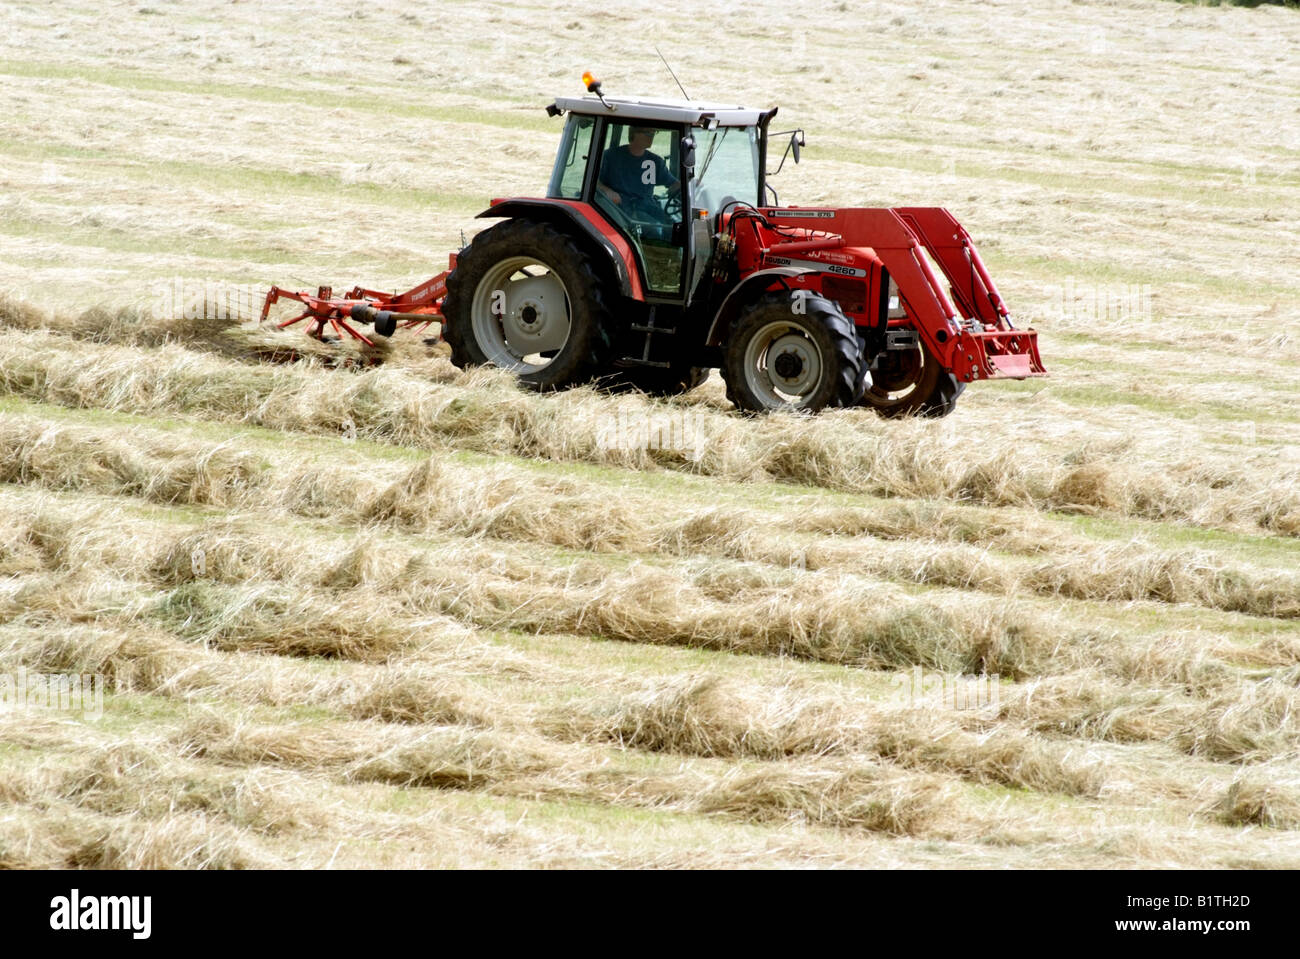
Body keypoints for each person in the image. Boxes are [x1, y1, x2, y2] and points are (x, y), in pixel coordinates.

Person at [596, 126, 681, 223]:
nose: (652, 136)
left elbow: (673, 184)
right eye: (648, 133)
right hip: (621, 211)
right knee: (656, 231)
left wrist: (689, 187)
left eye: (654, 133)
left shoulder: (655, 162)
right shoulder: (610, 157)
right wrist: (607, 191)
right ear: (634, 133)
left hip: (648, 207)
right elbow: (592, 182)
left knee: (673, 228)